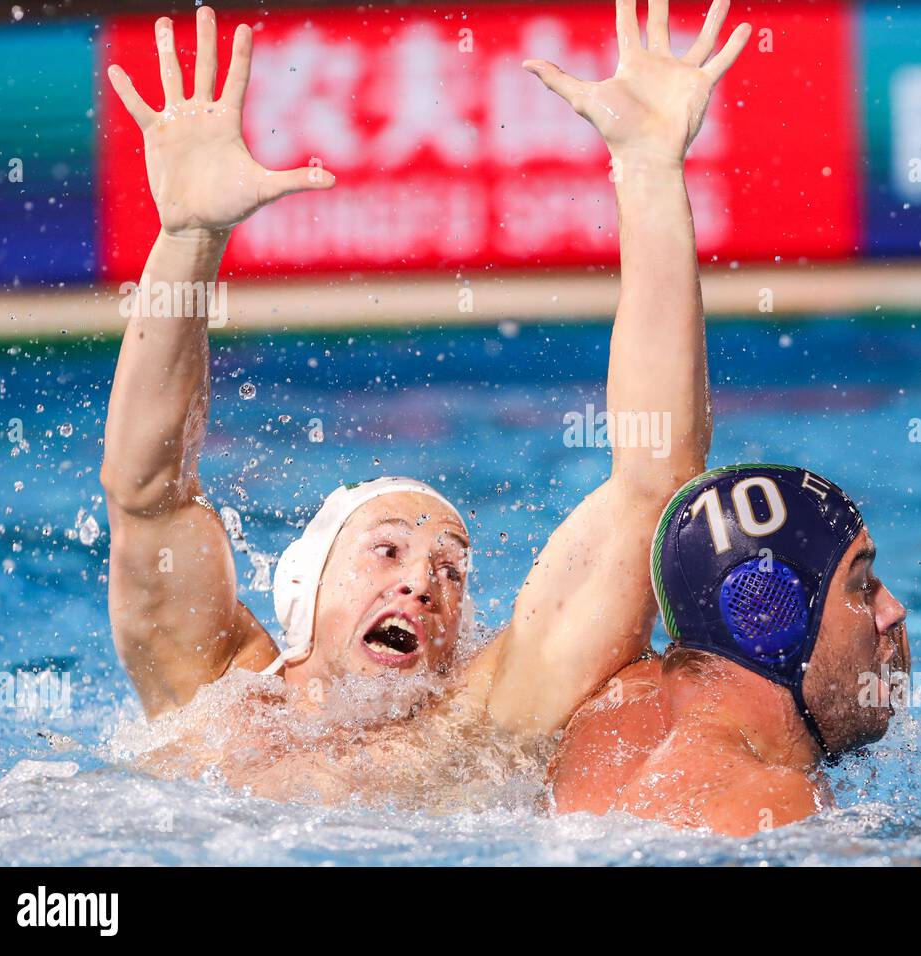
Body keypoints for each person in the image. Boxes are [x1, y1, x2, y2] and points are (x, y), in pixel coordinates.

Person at [100, 3, 750, 802]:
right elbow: (147, 492)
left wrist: (650, 168)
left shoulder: (486, 719)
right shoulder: (210, 694)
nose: (422, 584)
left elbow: (657, 483)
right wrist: (188, 240)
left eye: (450, 570)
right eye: (386, 551)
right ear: (303, 588)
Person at [548, 465, 911, 836]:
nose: (893, 610)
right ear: (770, 617)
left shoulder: (606, 706)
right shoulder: (775, 805)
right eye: (861, 584)